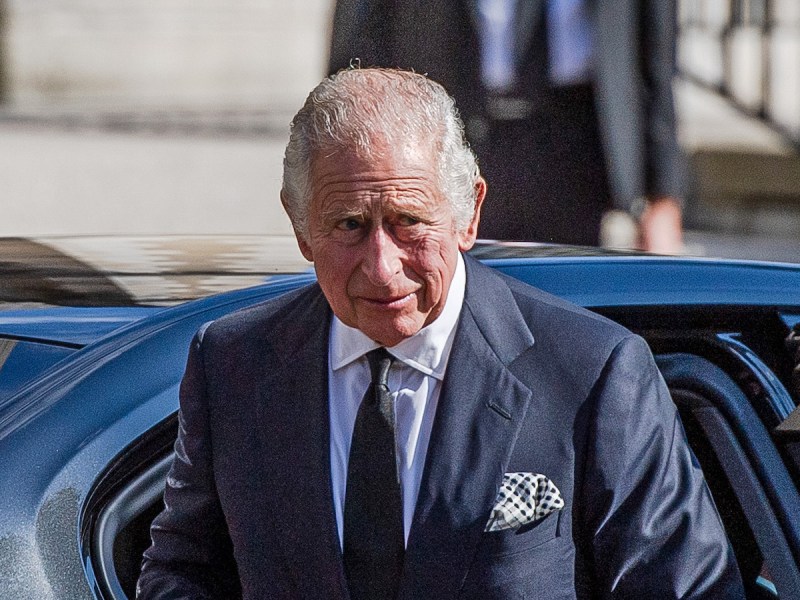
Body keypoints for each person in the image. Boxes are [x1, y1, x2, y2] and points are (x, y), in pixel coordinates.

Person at [137, 68, 742, 599]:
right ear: (300, 229)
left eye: (408, 222)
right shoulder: (233, 364)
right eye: (348, 225)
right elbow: (183, 571)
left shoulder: (592, 375)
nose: (382, 267)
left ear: (468, 214)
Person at [328, 0, 686, 253]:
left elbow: (657, 53)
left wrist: (663, 196)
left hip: (576, 135)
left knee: (568, 303)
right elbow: (359, 34)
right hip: (452, 129)